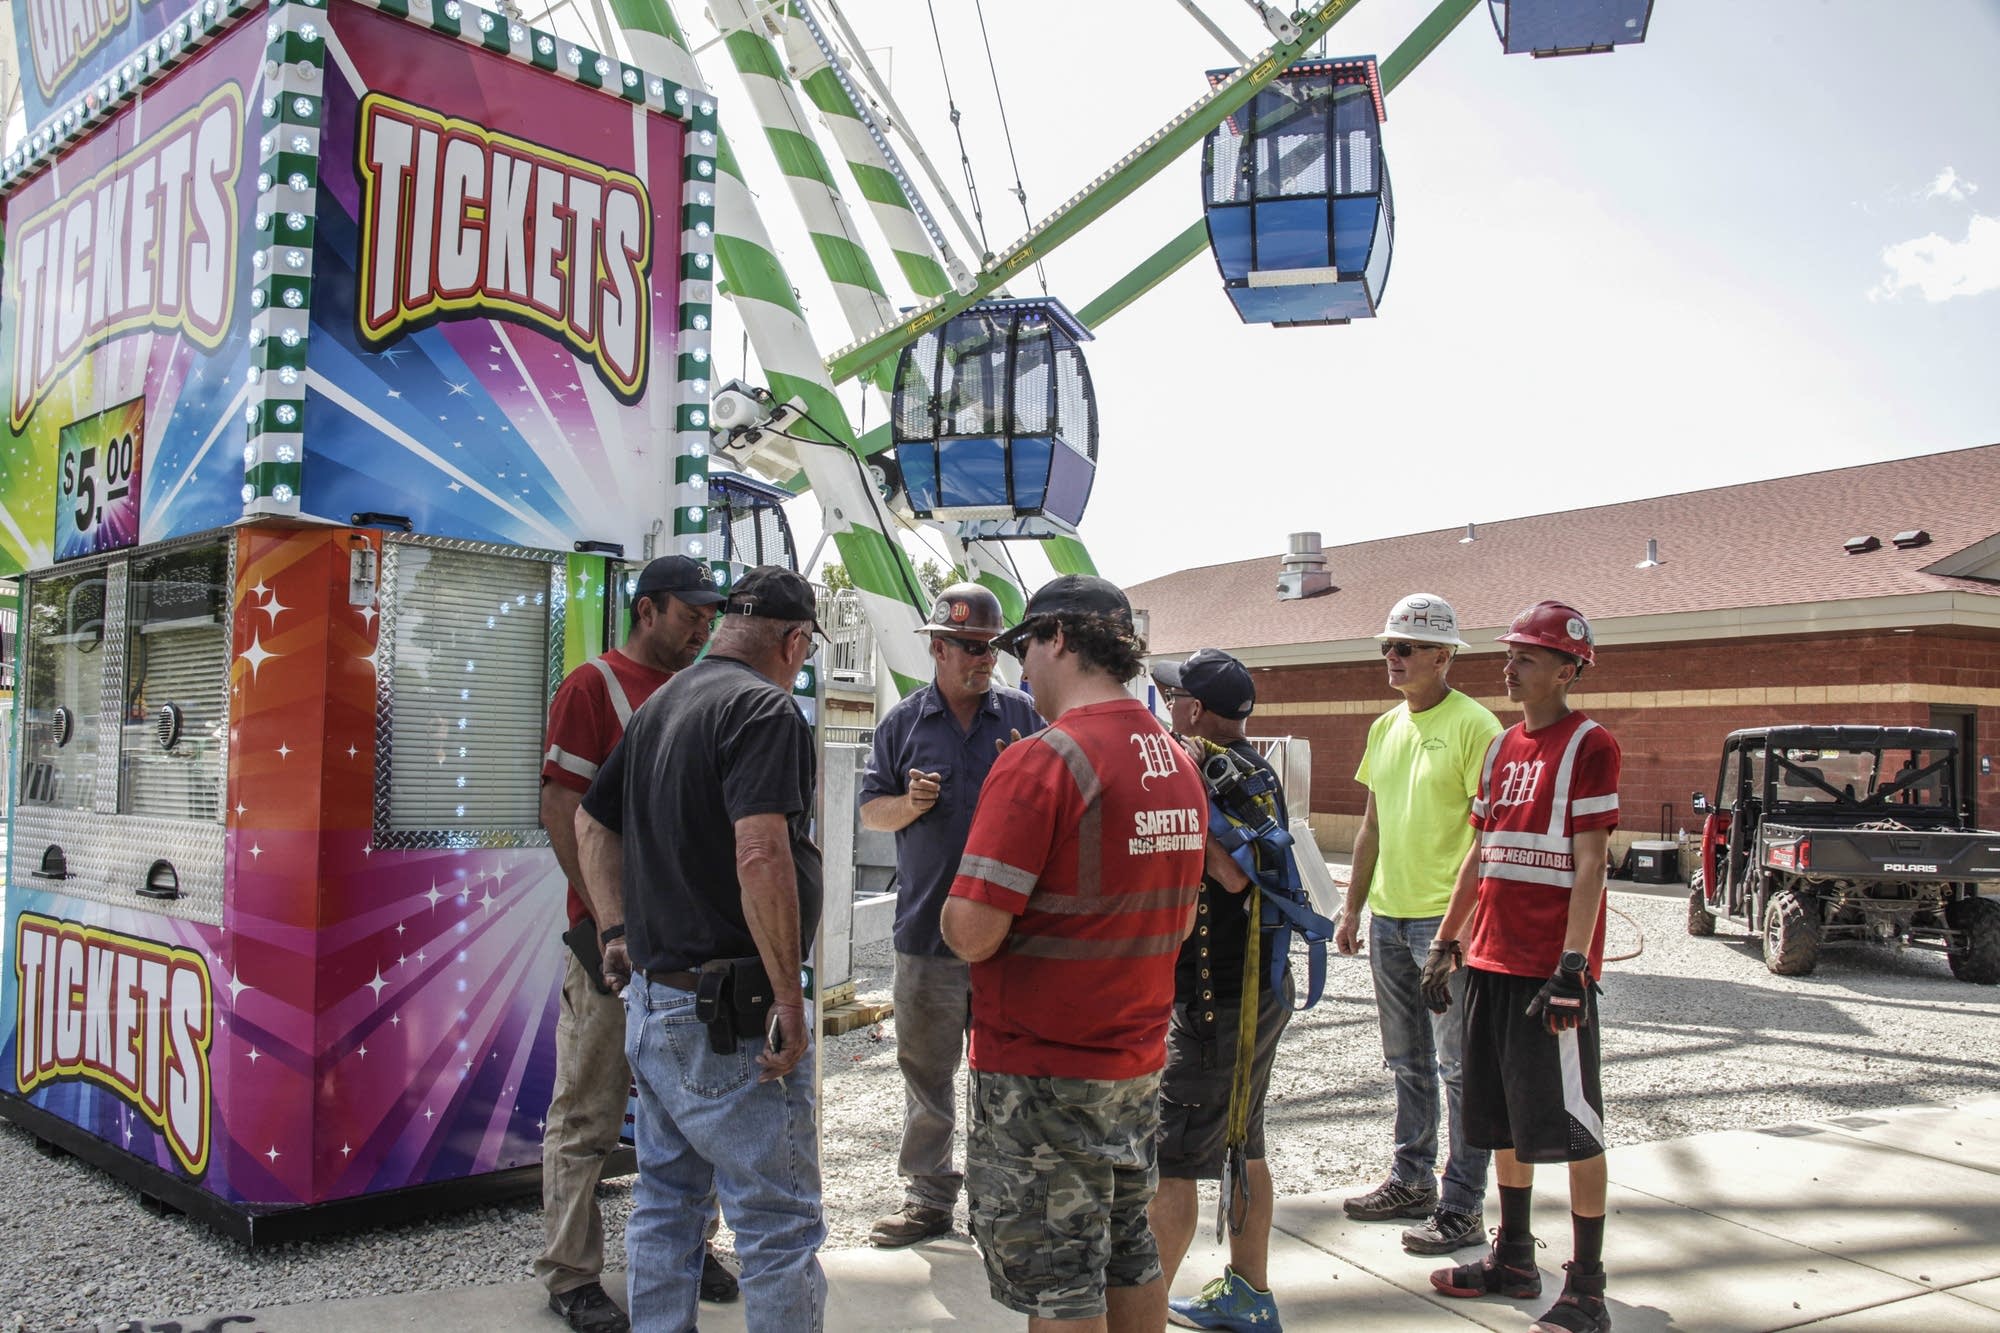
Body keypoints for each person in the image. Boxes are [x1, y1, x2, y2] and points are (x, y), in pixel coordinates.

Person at [941, 575, 1208, 1333]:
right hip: (1134, 1060)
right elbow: (1174, 913)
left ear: (1057, 638)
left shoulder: (1043, 760)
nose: (1020, 667)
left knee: (1060, 1282)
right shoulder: (1176, 761)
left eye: (1024, 646)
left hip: (1042, 1074)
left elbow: (972, 931)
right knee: (1128, 1253)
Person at [575, 565, 827, 1333]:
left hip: (658, 1001)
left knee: (666, 1205)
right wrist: (789, 998)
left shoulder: (664, 703)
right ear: (794, 641)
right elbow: (760, 851)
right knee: (778, 1224)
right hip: (731, 1017)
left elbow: (592, 821)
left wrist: (615, 930)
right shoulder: (765, 709)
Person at [535, 555, 732, 1333]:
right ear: (647, 609)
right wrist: (600, 918)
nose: (702, 627)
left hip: (688, 944)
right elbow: (561, 805)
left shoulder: (702, 686)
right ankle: (570, 1272)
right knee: (589, 1108)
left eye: (710, 615)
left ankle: (689, 1245)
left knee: (693, 1105)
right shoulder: (594, 687)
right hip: (614, 943)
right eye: (690, 613)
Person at [1421, 601, 1622, 1333]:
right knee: (1501, 1118)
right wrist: (1447, 940)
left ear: (1568, 670)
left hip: (1548, 972)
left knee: (1574, 1126)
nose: (1510, 667)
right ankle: (1513, 1256)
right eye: (1509, 654)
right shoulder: (1502, 746)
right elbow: (1480, 852)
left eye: (1527, 657)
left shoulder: (1590, 745)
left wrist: (1573, 966)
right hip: (1491, 960)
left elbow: (1592, 862)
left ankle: (1588, 1288)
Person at [860, 583, 1043, 1248]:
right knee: (927, 1075)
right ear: (937, 648)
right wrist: (909, 804)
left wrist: (1024, 781)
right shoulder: (903, 724)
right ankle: (930, 1199)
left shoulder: (1023, 716)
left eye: (991, 647)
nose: (984, 658)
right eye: (969, 646)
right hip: (927, 937)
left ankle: (1002, 1202)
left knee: (1009, 1078)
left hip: (1008, 941)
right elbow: (871, 812)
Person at [1337, 594, 1504, 1256]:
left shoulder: (1477, 727)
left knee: (1458, 1067)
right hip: (1389, 916)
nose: (1393, 657)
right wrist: (1354, 907)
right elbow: (1372, 825)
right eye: (1388, 646)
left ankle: (1462, 1204)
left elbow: (1487, 838)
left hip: (1443, 924)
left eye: (1405, 647)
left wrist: (1455, 931)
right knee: (1406, 1061)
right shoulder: (1385, 728)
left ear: (1444, 655)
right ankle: (1412, 1181)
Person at [1145, 649, 1295, 1332]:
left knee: (1173, 1158)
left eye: (1174, 695)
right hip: (1259, 989)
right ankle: (1249, 1294)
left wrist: (1185, 816)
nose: (1167, 704)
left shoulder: (1206, 771)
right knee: (1243, 1142)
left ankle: (1138, 1314)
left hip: (1218, 1002)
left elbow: (1234, 877)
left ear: (1196, 709)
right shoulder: (1257, 769)